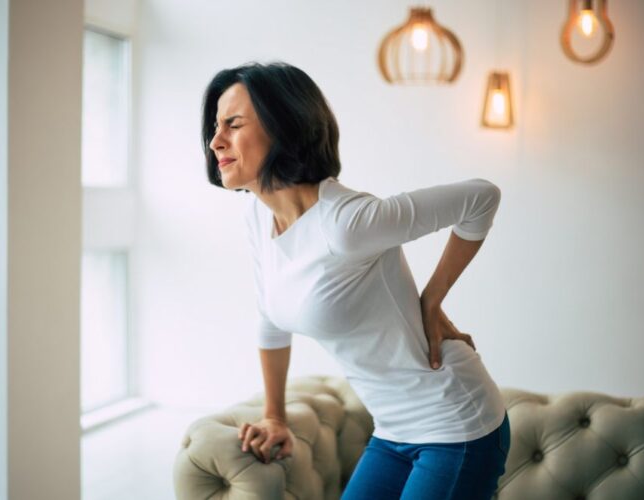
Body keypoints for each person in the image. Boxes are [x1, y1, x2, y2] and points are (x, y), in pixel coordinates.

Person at [201, 61, 510, 500]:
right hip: (391, 431)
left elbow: (482, 197)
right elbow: (270, 320)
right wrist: (275, 416)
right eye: (216, 126)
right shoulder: (258, 215)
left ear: (283, 127)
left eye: (233, 124)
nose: (216, 141)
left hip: (456, 424)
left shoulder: (345, 223)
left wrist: (431, 299)